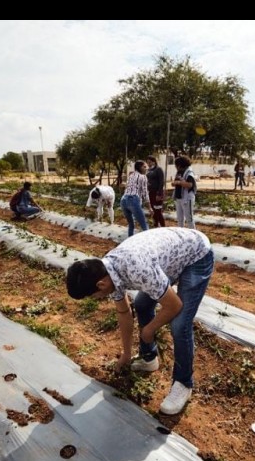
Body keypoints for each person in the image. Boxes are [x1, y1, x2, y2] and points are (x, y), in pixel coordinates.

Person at [65, 227, 215, 415]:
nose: (97, 299)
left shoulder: (136, 269)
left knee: (179, 324)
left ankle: (184, 383)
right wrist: (126, 354)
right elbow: (124, 313)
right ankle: (149, 358)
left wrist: (149, 330)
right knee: (142, 304)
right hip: (168, 258)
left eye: (94, 296)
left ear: (100, 285)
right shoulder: (109, 271)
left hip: (196, 254)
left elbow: (174, 306)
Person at [120, 160, 150, 237]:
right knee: (144, 225)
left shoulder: (131, 175)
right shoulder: (143, 177)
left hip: (123, 200)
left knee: (131, 224)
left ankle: (129, 242)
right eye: (144, 167)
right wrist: (150, 208)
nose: (146, 168)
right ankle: (150, 244)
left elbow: (126, 187)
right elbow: (145, 193)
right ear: (140, 167)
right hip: (132, 200)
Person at [171, 155, 197, 229]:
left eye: (176, 165)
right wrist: (175, 183)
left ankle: (193, 235)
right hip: (179, 198)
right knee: (180, 219)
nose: (175, 167)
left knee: (189, 219)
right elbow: (176, 181)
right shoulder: (179, 172)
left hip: (187, 199)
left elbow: (189, 185)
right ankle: (181, 235)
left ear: (180, 165)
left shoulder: (189, 173)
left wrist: (178, 182)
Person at [146, 155, 166, 228]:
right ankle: (156, 226)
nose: (148, 164)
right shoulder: (149, 171)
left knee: (158, 211)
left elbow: (161, 182)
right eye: (147, 162)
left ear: (154, 161)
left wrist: (159, 194)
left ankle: (163, 227)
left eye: (150, 162)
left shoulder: (158, 169)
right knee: (154, 211)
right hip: (151, 193)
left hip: (157, 193)